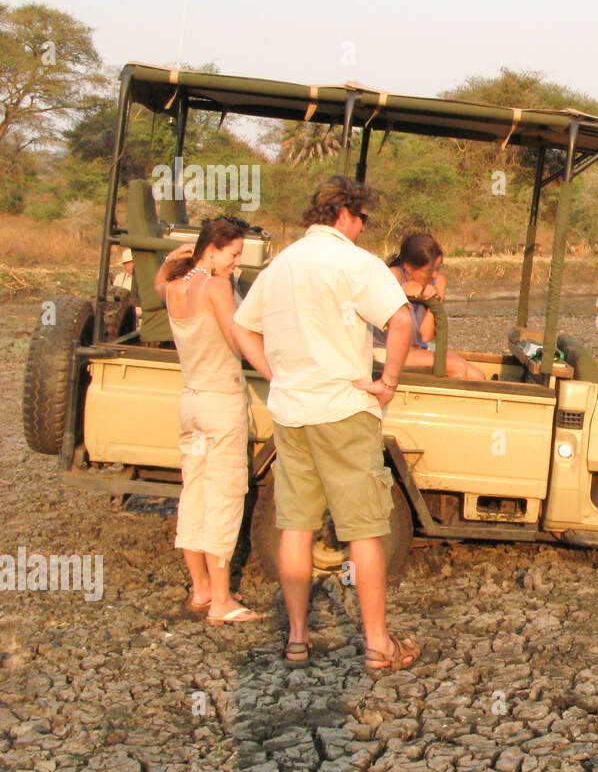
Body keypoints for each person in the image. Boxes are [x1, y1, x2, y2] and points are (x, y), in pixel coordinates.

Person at [232, 175, 420, 673]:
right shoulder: (356, 263)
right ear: (345, 213)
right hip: (342, 409)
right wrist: (389, 382)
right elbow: (401, 320)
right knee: (364, 527)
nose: (363, 229)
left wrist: (276, 375)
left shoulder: (281, 264)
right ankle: (378, 643)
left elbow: (242, 326)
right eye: (362, 219)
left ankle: (296, 639)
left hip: (291, 412)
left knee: (295, 524)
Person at [155, 220, 268, 625]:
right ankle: (221, 601)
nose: (236, 263)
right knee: (224, 493)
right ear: (212, 250)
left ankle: (200, 588)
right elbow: (238, 337)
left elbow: (158, 284)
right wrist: (275, 375)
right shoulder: (216, 287)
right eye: (233, 254)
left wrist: (172, 260)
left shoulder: (174, 288)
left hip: (191, 403)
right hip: (221, 403)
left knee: (195, 491)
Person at [372, 233, 486, 380]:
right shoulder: (394, 275)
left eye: (437, 268)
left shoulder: (438, 281)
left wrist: (433, 301)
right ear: (409, 268)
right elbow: (376, 311)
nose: (434, 275)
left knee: (478, 376)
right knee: (456, 368)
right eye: (428, 271)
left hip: (417, 349)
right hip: (385, 349)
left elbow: (425, 336)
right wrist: (402, 293)